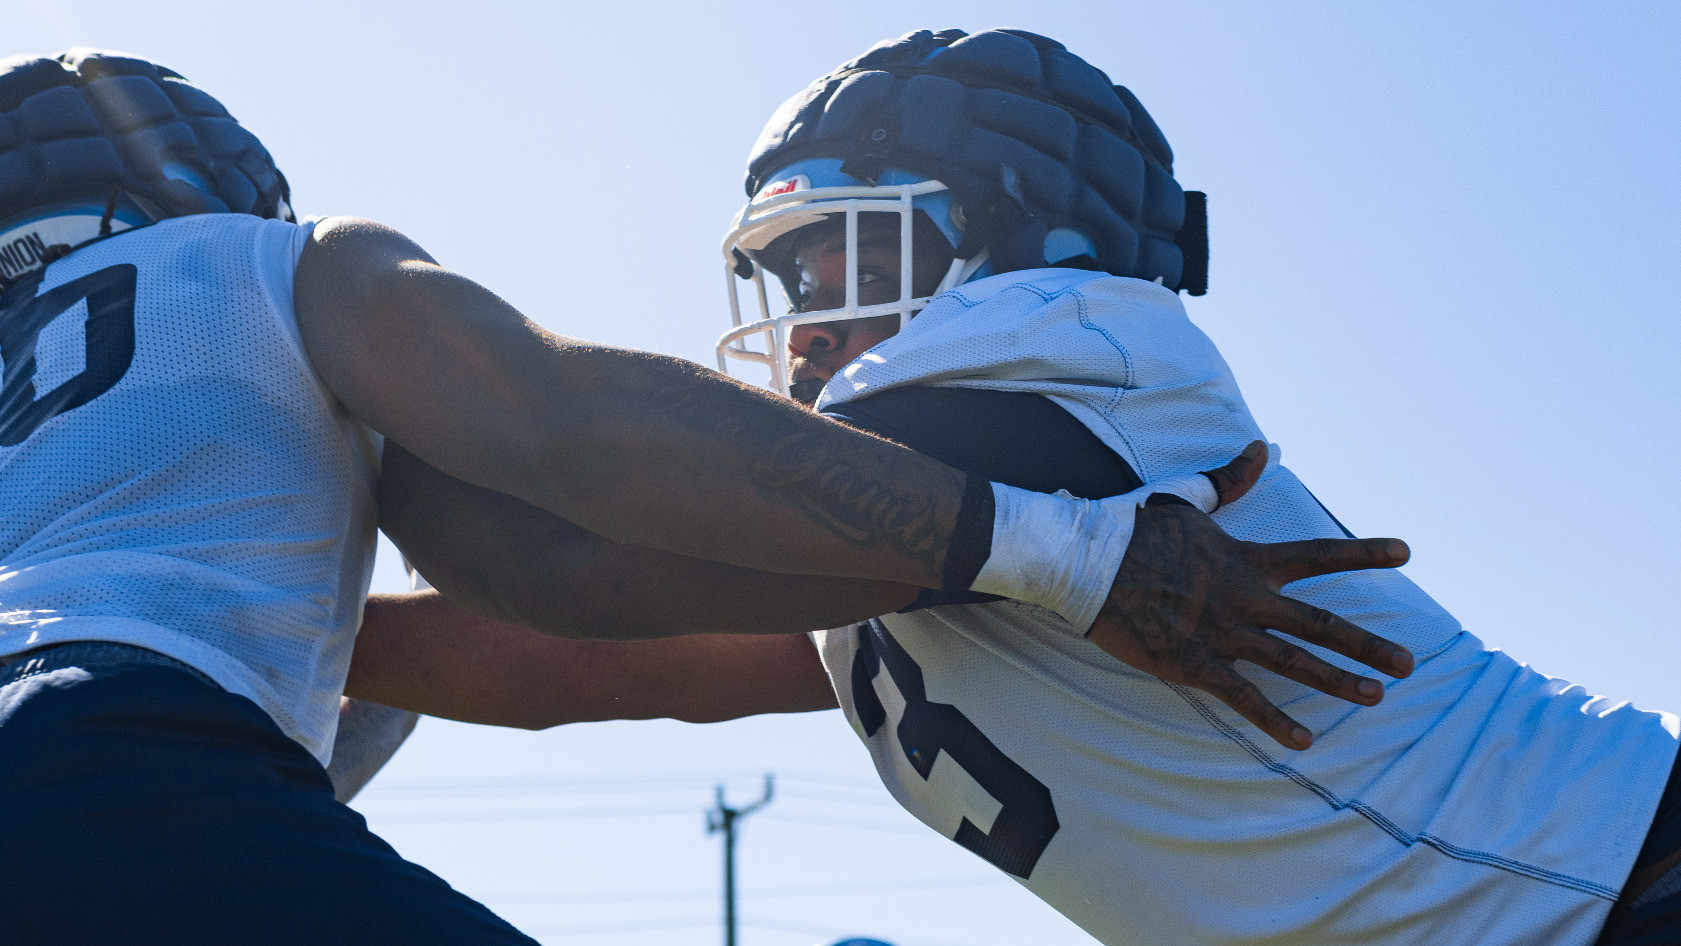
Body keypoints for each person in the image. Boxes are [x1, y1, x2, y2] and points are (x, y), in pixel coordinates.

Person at [0, 48, 1409, 943]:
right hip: (117, 760)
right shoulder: (273, 265)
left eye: (848, 264)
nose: (810, 319)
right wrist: (1079, 554)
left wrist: (302, 621)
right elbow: (559, 468)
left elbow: (540, 650)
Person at [708, 28, 1681, 946]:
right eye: (805, 288)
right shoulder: (879, 530)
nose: (810, 329)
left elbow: (653, 497)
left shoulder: (1071, 336)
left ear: (1021, 249)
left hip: (1617, 879)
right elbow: (627, 644)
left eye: (870, 266)